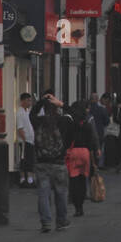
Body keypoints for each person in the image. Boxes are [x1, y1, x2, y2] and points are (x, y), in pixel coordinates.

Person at [32, 91, 73, 233]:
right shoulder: (63, 121)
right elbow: (77, 114)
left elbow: (32, 114)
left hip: (42, 162)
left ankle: (46, 222)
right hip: (59, 162)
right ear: (56, 108)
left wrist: (40, 103)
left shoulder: (38, 122)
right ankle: (61, 221)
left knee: (43, 194)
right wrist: (61, 103)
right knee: (61, 193)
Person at [66, 103, 99, 217]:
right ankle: (81, 203)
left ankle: (77, 207)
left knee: (74, 179)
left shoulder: (72, 125)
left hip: (74, 152)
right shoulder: (88, 126)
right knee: (83, 179)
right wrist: (93, 160)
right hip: (85, 152)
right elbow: (91, 142)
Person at [16, 92, 35, 188]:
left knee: (29, 160)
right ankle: (24, 179)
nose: (30, 102)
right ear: (22, 101)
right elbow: (20, 129)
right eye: (28, 100)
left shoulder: (27, 112)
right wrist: (25, 139)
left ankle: (30, 179)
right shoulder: (20, 113)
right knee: (24, 161)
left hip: (30, 141)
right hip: (25, 141)